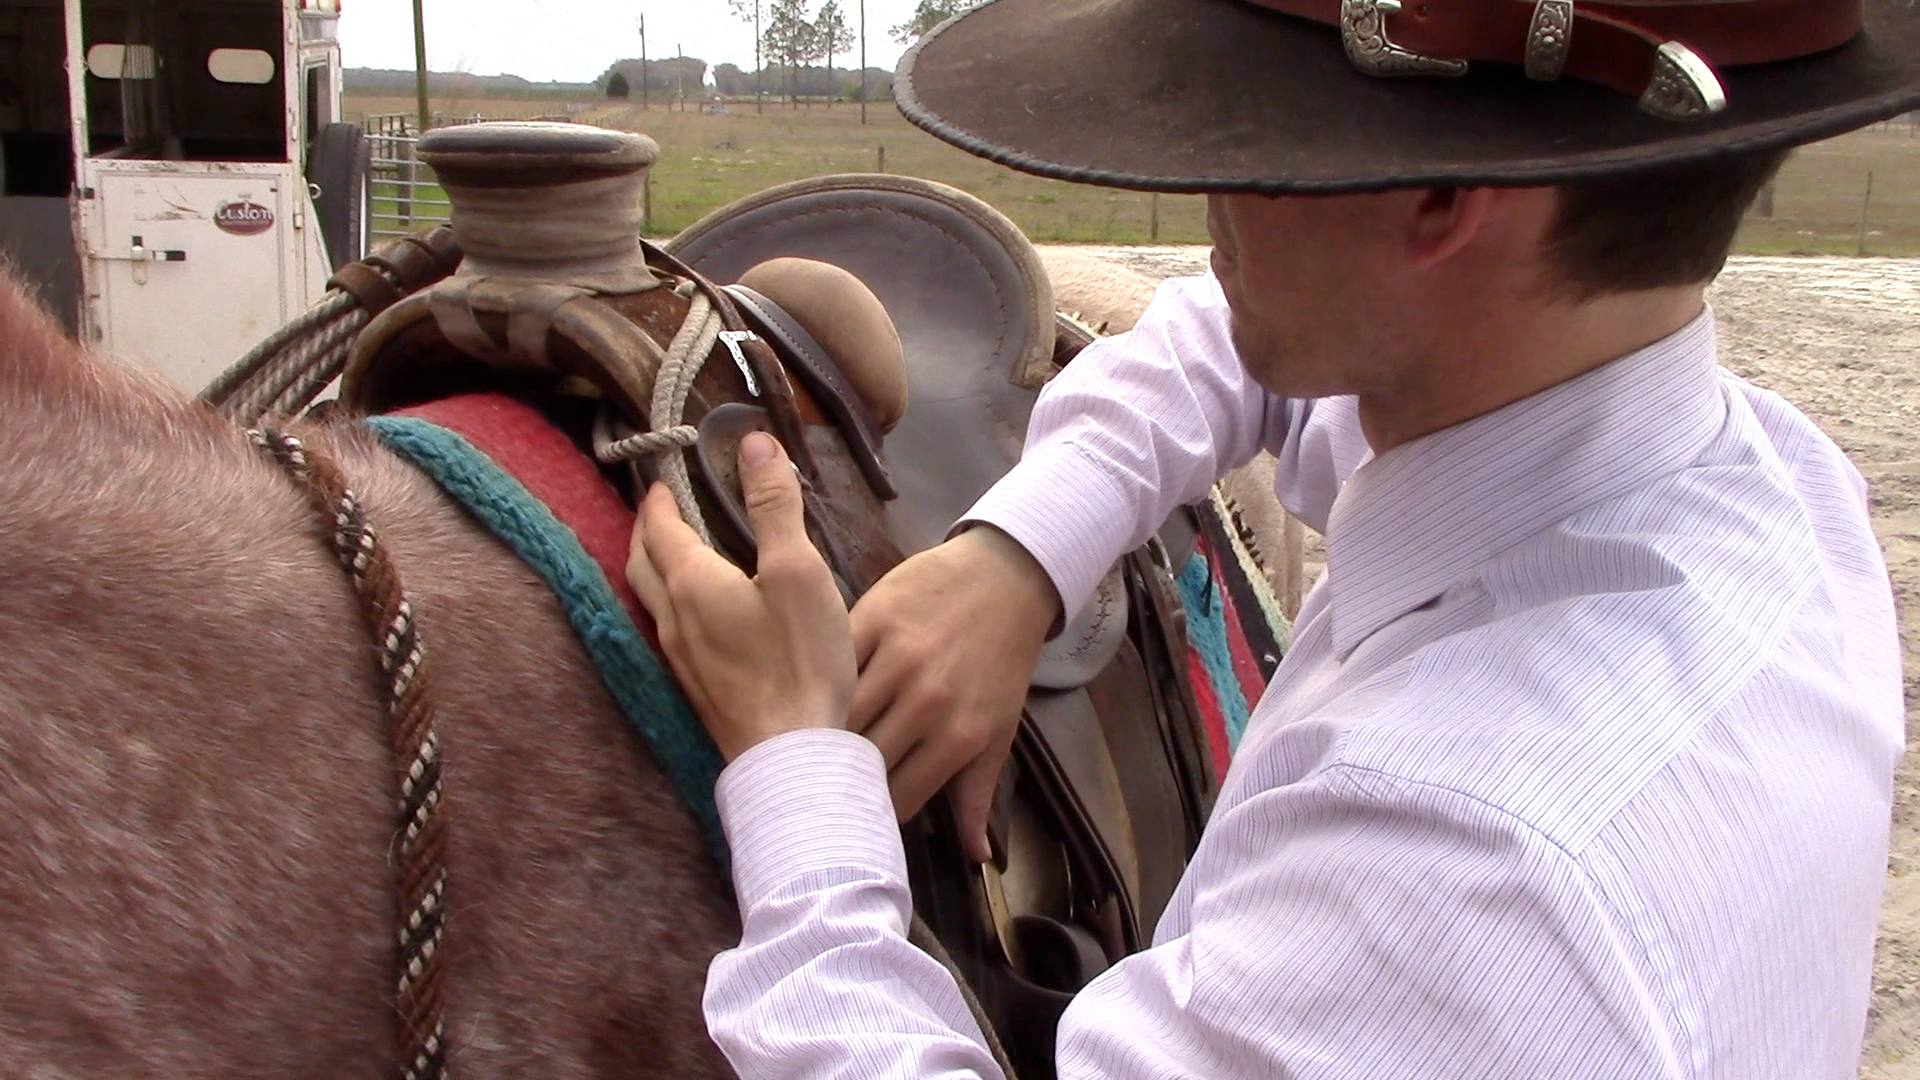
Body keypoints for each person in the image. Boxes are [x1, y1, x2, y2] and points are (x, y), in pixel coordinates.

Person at [627, 1, 1919, 1075]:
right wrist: (1015, 556)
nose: (1209, 195)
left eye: (1254, 134)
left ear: (1444, 195)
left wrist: (801, 772)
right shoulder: (1774, 491)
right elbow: (1230, 352)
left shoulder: (1467, 882)